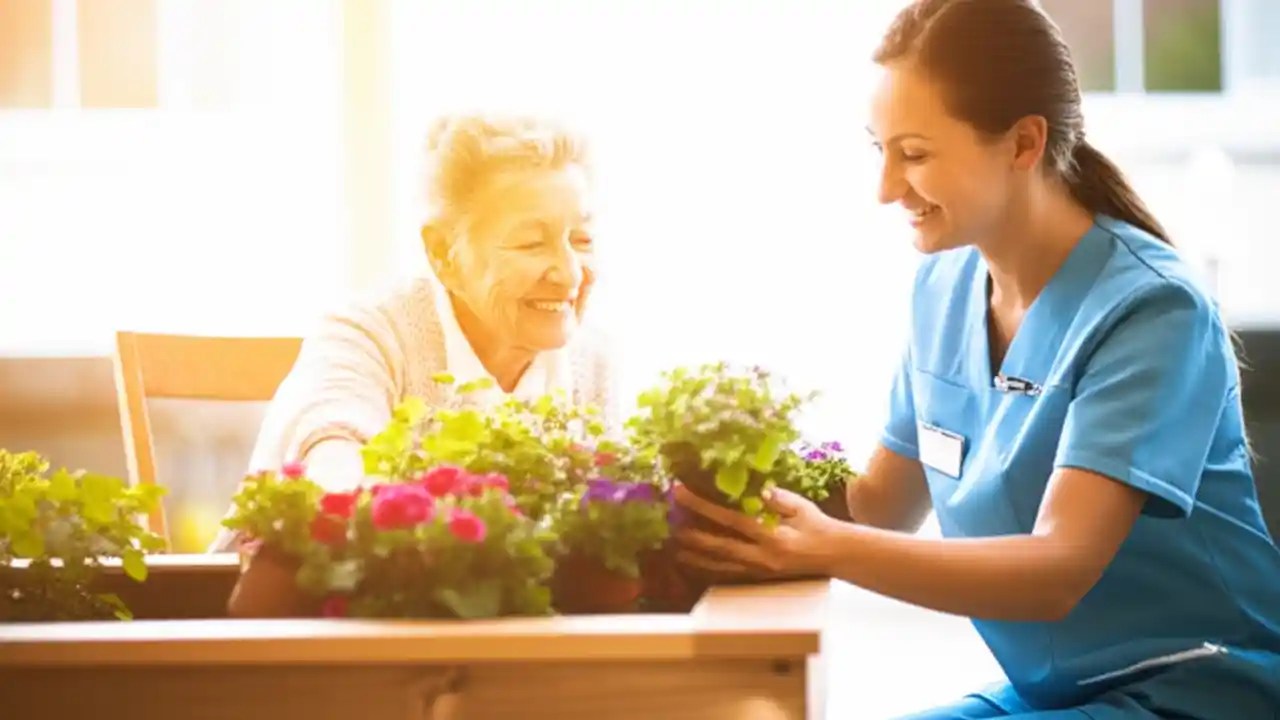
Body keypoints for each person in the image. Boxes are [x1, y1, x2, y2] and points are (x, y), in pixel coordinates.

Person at [671, 1, 1280, 717]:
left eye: (916, 154)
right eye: (882, 151)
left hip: (1199, 688)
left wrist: (824, 548)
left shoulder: (1153, 311)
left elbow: (1057, 570)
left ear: (1024, 143)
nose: (887, 189)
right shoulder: (943, 288)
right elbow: (878, 507)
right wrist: (712, 484)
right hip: (1057, 694)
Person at [211, 114, 617, 552]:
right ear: (443, 253)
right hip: (301, 611)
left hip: (501, 619)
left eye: (581, 239)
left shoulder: (589, 358)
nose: (569, 274)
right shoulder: (366, 333)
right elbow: (331, 459)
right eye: (530, 244)